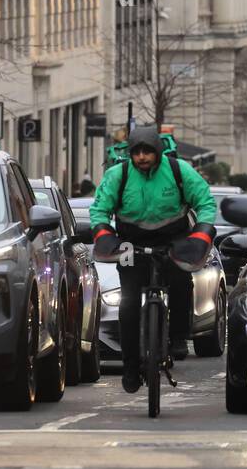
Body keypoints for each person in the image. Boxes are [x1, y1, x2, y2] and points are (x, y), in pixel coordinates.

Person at [89, 126, 217, 394]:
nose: (143, 157)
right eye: (137, 152)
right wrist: (104, 234)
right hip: (129, 243)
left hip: (173, 240)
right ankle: (130, 367)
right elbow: (99, 210)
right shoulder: (117, 175)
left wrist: (202, 233)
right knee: (129, 304)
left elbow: (205, 202)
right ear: (130, 154)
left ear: (158, 152)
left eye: (148, 152)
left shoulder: (180, 171)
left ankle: (179, 336)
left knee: (182, 281)